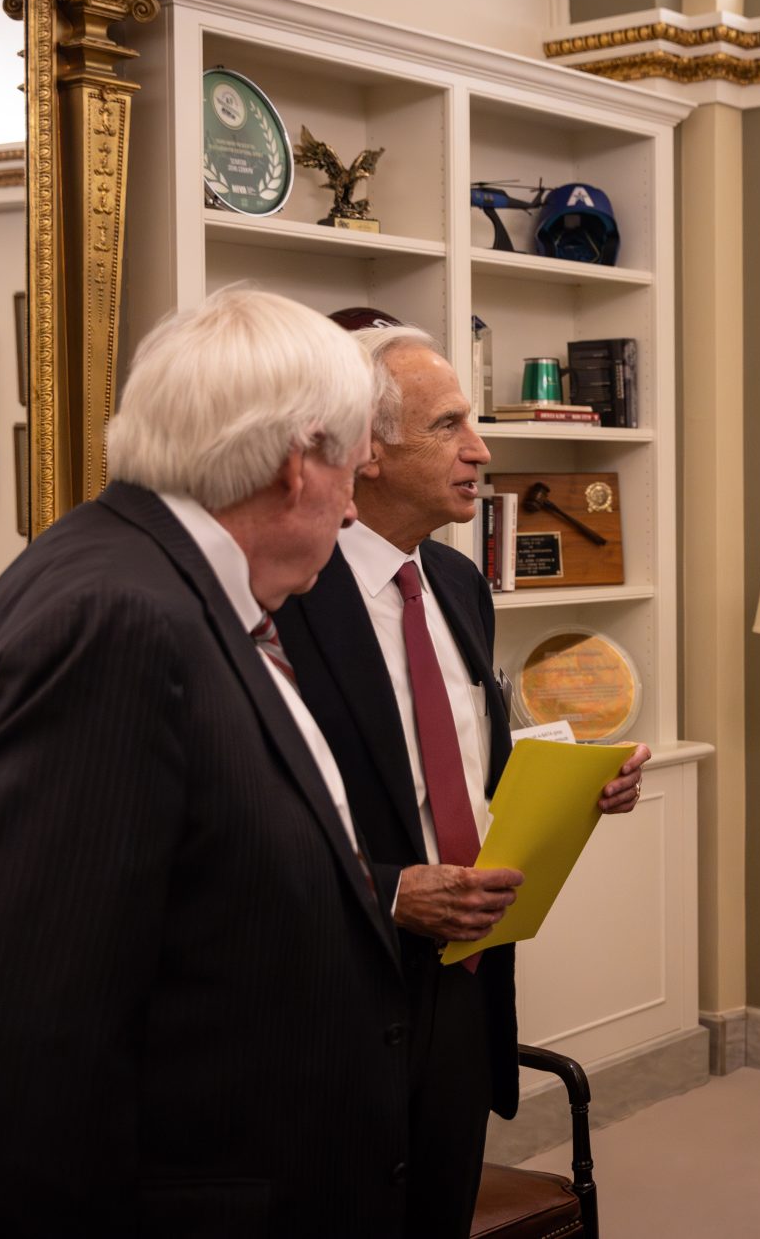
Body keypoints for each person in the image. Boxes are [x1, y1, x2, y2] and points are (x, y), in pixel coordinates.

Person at [0, 288, 413, 1236]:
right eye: (351, 470)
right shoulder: (121, 622)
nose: (352, 506)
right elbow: (25, 1046)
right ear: (298, 464)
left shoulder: (136, 574)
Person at [271, 323, 648, 1237]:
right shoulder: (287, 590)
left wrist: (578, 785)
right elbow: (261, 809)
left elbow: (470, 761)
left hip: (468, 972)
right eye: (448, 426)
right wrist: (392, 890)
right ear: (366, 450)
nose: (481, 451)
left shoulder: (455, 580)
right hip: (341, 983)